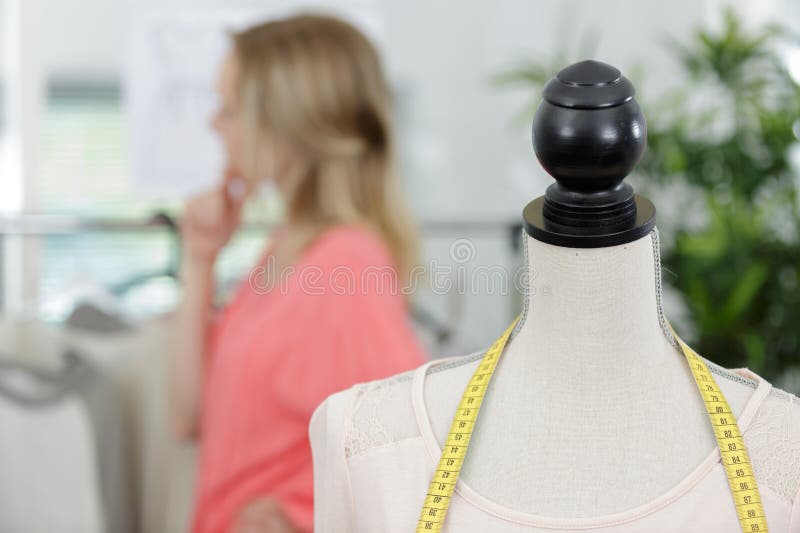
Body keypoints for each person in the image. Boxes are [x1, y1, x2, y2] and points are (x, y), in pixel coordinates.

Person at [170, 13, 427, 533]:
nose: (213, 126)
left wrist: (295, 518)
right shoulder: (286, 249)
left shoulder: (344, 266)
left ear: (286, 123)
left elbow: (413, 456)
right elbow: (189, 417)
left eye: (229, 109)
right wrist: (199, 258)